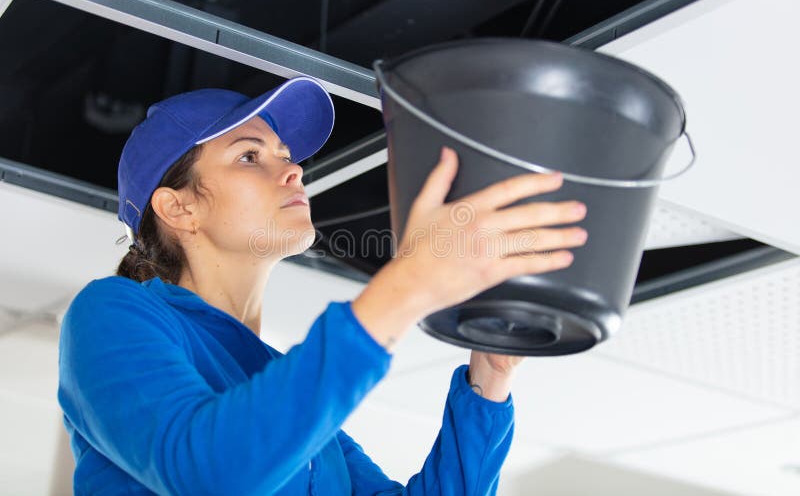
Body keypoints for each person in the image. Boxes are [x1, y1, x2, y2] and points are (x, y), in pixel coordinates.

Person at [57, 75, 588, 495]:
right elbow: (211, 475)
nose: (293, 171)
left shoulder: (289, 399)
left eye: (286, 155)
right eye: (250, 156)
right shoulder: (110, 314)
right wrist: (409, 283)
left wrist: (489, 377)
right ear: (180, 208)